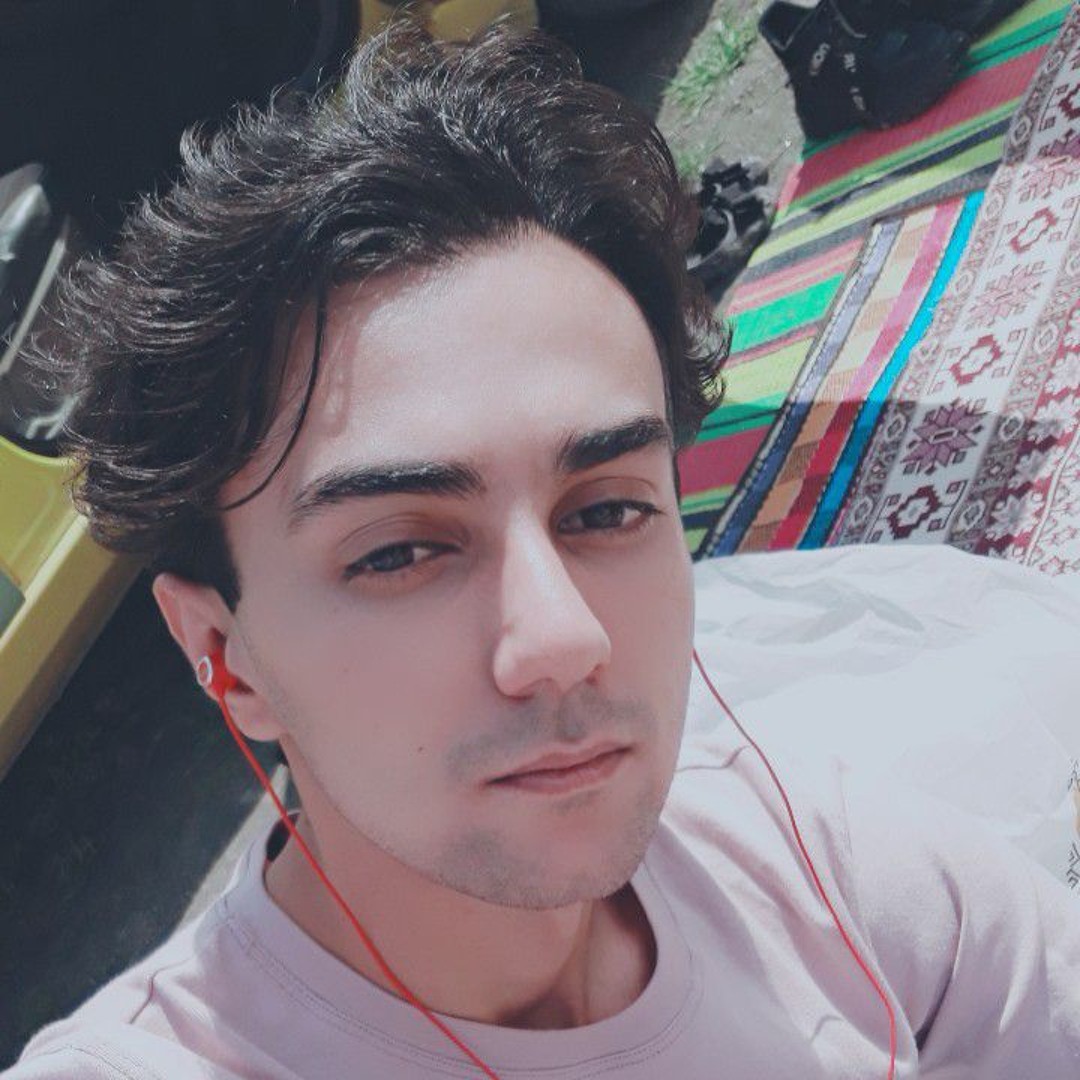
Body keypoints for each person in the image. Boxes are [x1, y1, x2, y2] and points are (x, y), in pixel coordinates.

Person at [6, 22, 1080, 1080]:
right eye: (400, 554)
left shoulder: (806, 856)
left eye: (606, 511)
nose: (566, 636)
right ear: (225, 657)